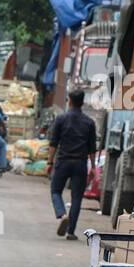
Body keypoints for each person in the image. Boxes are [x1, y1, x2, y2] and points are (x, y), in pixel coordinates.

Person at [46, 90, 98, 239]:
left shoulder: (61, 119)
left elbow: (53, 143)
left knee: (56, 190)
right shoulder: (89, 122)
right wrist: (93, 167)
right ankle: (70, 232)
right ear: (83, 103)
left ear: (69, 101)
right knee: (76, 198)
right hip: (80, 164)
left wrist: (49, 162)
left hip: (63, 161)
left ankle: (62, 214)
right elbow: (92, 148)